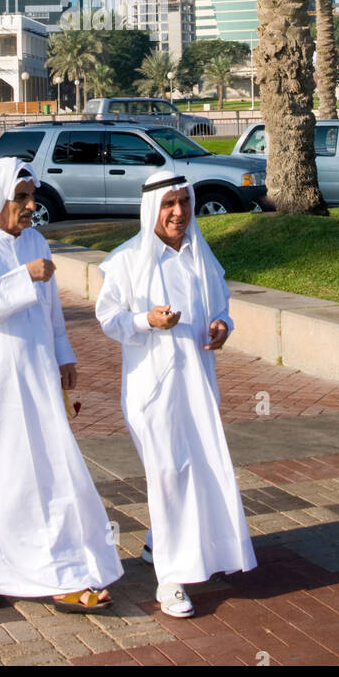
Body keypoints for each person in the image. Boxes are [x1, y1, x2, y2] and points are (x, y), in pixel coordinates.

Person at [0, 156, 122, 612]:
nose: (28, 206)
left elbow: (49, 308)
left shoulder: (37, 240)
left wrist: (64, 354)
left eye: (31, 198)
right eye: (19, 198)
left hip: (36, 373)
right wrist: (23, 277)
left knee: (44, 470)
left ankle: (59, 569)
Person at [96, 169, 256, 619]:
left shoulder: (200, 256)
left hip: (199, 387)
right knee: (168, 471)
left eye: (184, 202)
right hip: (152, 391)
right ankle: (170, 580)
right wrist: (147, 320)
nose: (179, 213)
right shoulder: (126, 261)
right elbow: (109, 319)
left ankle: (171, 545)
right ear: (151, 208)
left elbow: (220, 303)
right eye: (168, 204)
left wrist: (223, 324)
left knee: (200, 468)